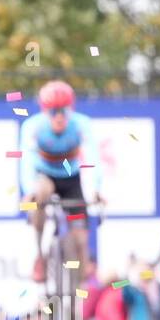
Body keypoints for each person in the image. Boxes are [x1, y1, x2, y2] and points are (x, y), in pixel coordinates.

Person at [19, 80, 102, 282]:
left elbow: (92, 158)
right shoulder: (32, 126)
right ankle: (40, 255)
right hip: (45, 175)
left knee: (80, 238)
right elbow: (27, 161)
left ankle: (80, 287)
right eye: (53, 111)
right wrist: (28, 190)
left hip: (71, 179)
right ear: (44, 111)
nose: (58, 117)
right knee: (39, 194)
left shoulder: (82, 124)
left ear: (70, 109)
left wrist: (95, 189)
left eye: (63, 111)